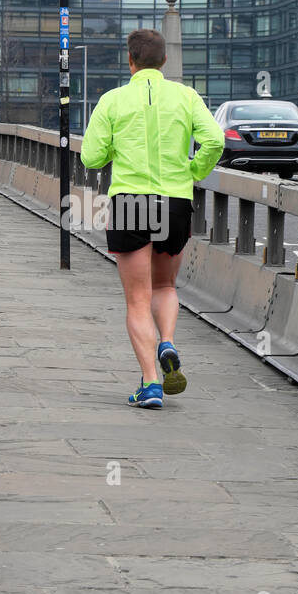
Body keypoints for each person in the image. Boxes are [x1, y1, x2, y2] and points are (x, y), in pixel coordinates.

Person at [80, 28, 224, 408]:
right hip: (175, 202)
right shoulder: (187, 96)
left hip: (130, 201)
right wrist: (193, 171)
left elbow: (90, 157)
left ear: (130, 61)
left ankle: (150, 384)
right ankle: (168, 342)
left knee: (137, 300)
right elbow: (215, 141)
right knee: (165, 287)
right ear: (164, 61)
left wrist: (114, 145)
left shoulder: (112, 100)